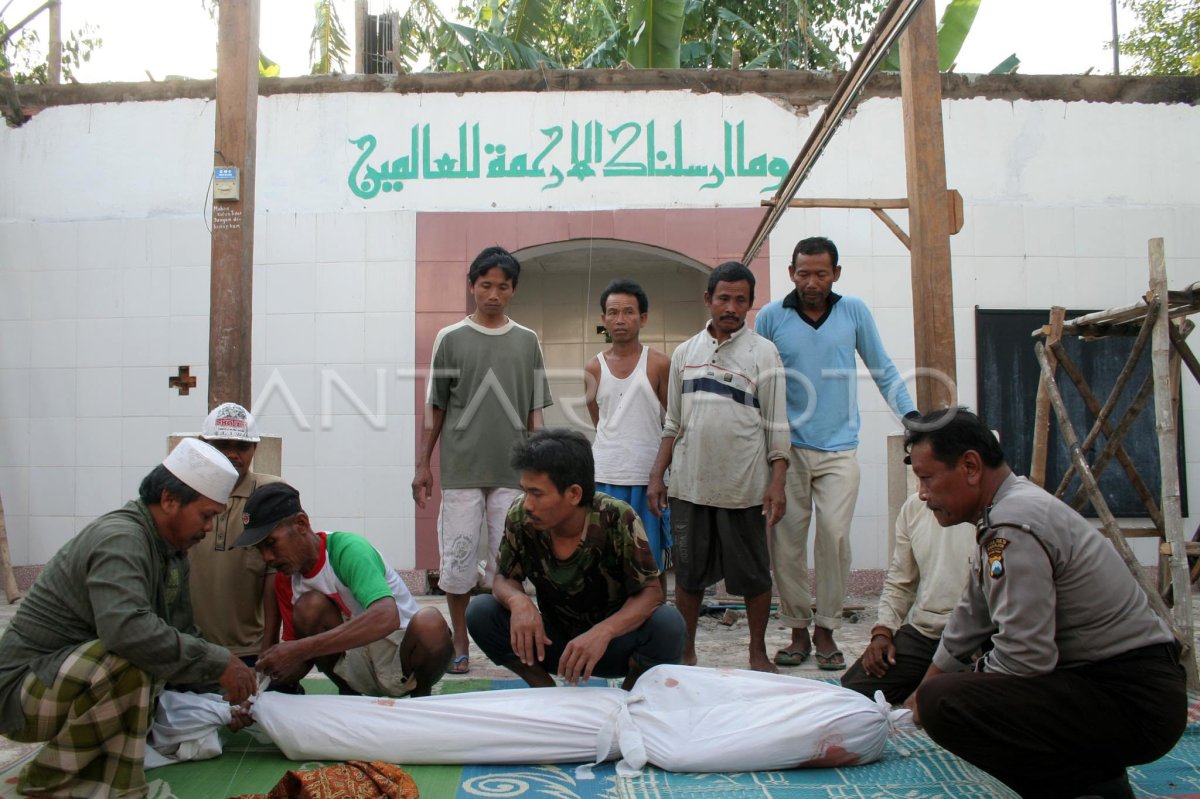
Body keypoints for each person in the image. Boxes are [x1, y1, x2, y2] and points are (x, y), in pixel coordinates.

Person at [902, 409, 1186, 799]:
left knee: (946, 705)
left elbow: (1025, 658)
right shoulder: (1005, 513)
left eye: (927, 478)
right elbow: (971, 614)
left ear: (970, 466)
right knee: (938, 689)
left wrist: (941, 690)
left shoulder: (1012, 524)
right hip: (1119, 688)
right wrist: (929, 678)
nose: (922, 493)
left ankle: (1083, 787)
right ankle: (1094, 779)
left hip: (1134, 700)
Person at [0, 438, 257, 797]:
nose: (209, 528)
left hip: (66, 680)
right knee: (132, 657)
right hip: (21, 693)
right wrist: (219, 661)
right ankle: (54, 784)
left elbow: (184, 634)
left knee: (159, 657)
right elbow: (126, 631)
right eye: (206, 515)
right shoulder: (121, 538)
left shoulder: (172, 553)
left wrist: (225, 695)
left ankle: (93, 778)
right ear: (169, 500)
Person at [755, 236, 917, 671]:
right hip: (785, 452)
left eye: (821, 273)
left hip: (840, 449)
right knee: (786, 544)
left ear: (836, 275)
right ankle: (796, 631)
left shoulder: (853, 312)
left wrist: (911, 417)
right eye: (804, 273)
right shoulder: (771, 317)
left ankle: (825, 629)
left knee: (835, 537)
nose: (812, 281)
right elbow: (755, 381)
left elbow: (883, 369)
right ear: (791, 273)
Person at [412, 245, 553, 675]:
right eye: (485, 284)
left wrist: (542, 472)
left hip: (513, 475)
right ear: (472, 286)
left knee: (507, 565)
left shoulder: (527, 340)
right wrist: (422, 465)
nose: (493, 293)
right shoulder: (450, 338)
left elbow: (535, 414)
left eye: (503, 286)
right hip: (461, 472)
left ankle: (510, 642)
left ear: (513, 291)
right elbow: (435, 408)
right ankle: (459, 640)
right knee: (456, 563)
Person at [647, 261, 789, 673]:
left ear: (750, 303)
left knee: (755, 578)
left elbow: (777, 424)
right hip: (689, 487)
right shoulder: (684, 354)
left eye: (740, 299)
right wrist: (659, 475)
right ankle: (686, 651)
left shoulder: (764, 353)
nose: (731, 306)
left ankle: (756, 652)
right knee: (689, 577)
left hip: (743, 488)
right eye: (723, 297)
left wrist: (777, 483)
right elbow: (672, 421)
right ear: (708, 299)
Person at [466, 429, 685, 689]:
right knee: (481, 612)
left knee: (669, 625)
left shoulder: (616, 518)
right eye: (525, 491)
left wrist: (604, 632)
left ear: (573, 494)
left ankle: (627, 699)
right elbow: (504, 578)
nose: (528, 504)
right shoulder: (520, 517)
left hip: (611, 647)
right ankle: (544, 690)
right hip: (551, 645)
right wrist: (519, 602)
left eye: (537, 493)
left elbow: (652, 594)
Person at [240, 482, 453, 698]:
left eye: (271, 543)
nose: (267, 557)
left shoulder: (348, 550)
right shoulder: (285, 580)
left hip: (400, 652)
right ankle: (350, 694)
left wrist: (300, 649)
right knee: (308, 607)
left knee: (430, 623)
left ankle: (421, 695)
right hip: (354, 665)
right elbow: (300, 662)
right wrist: (255, 688)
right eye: (260, 549)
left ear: (301, 524)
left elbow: (386, 617)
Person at [839, 492, 974, 704]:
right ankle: (933, 682)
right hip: (926, 633)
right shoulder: (914, 507)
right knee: (855, 691)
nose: (922, 491)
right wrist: (883, 632)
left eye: (929, 477)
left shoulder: (989, 510)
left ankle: (941, 684)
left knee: (953, 705)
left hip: (974, 637)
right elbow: (900, 579)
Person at [584, 278, 673, 579]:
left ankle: (653, 624)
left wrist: (659, 475)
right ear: (603, 319)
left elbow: (673, 423)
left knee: (650, 563)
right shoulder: (593, 367)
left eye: (628, 312)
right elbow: (600, 421)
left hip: (647, 479)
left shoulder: (659, 364)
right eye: (613, 312)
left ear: (643, 318)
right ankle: (611, 625)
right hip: (605, 476)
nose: (620, 319)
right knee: (607, 561)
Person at [189, 402, 282, 668]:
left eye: (242, 447)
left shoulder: (269, 495)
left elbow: (274, 578)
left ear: (255, 448)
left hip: (248, 651)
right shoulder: (183, 495)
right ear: (203, 443)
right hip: (189, 647)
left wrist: (267, 649)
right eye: (221, 446)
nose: (232, 455)